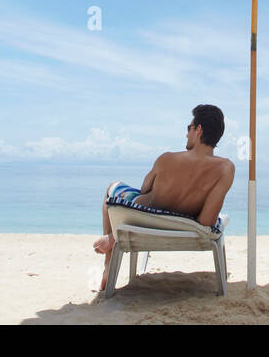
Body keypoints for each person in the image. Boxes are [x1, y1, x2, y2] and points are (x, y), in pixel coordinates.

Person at [92, 104, 234, 291]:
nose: (186, 134)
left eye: (188, 128)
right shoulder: (225, 169)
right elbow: (206, 221)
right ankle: (111, 239)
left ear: (198, 129)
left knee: (113, 187)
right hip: (183, 224)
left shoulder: (166, 159)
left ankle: (109, 261)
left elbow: (143, 189)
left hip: (140, 219)